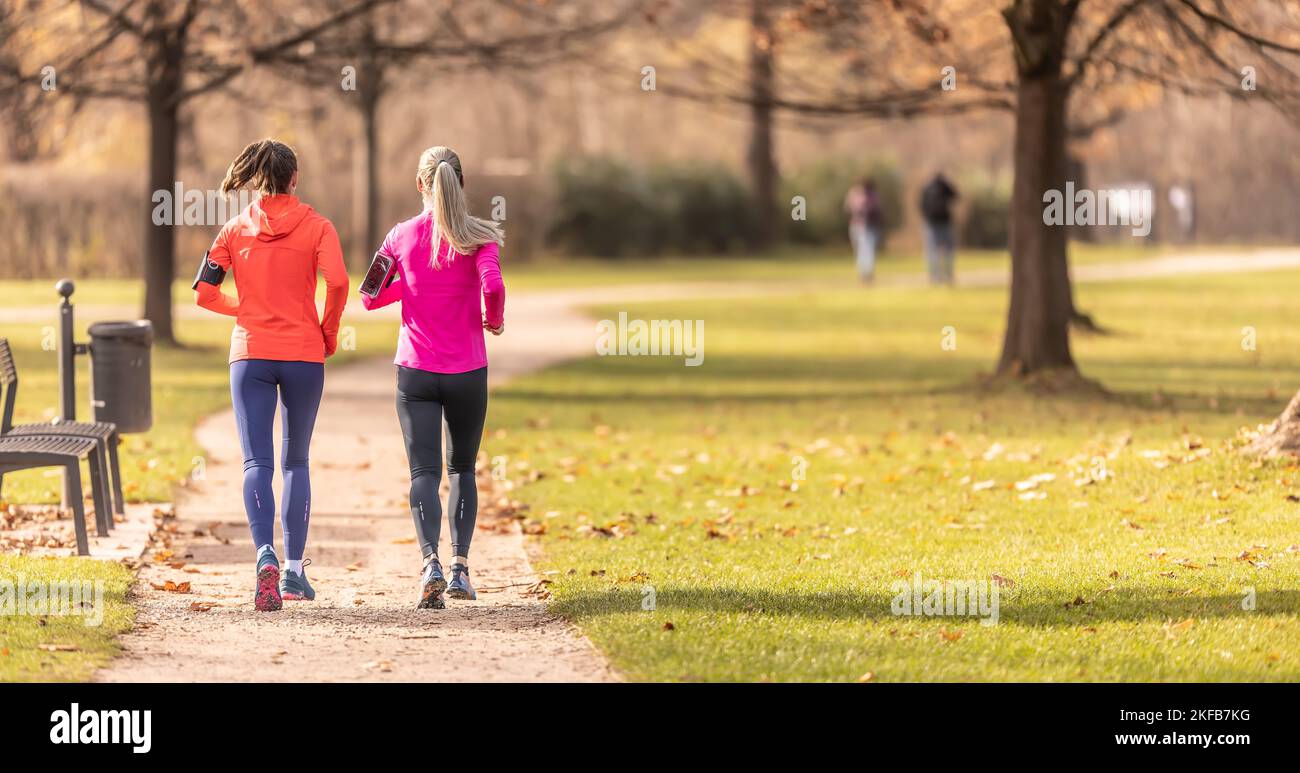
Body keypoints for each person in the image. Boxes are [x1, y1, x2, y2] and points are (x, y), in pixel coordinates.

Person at [195, 139, 349, 611]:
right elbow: (339, 282)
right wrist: (328, 331)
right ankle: (294, 572)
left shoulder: (232, 231)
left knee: (255, 464)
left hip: (251, 356)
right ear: (294, 178)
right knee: (295, 462)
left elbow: (203, 292)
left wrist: (246, 308)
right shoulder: (319, 227)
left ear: (258, 179)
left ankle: (264, 554)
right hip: (303, 353)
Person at [360, 146, 505, 610]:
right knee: (462, 468)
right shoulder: (480, 235)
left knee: (423, 473)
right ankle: (461, 569)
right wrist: (494, 318)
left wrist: (415, 286)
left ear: (420, 185)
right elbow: (493, 286)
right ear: (460, 183)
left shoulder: (399, 236)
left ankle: (430, 566)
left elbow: (368, 296)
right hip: (467, 372)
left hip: (416, 373)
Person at [919, 173, 958, 285]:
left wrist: (926, 217)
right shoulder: (945, 187)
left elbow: (921, 205)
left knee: (932, 251)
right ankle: (948, 275)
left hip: (931, 223)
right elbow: (956, 196)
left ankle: (934, 276)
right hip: (945, 222)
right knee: (948, 251)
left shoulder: (927, 188)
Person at [844, 178, 883, 282]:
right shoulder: (870, 196)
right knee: (865, 251)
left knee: (864, 251)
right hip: (863, 226)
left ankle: (865, 273)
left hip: (862, 226)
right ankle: (865, 273)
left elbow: (848, 208)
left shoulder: (856, 194)